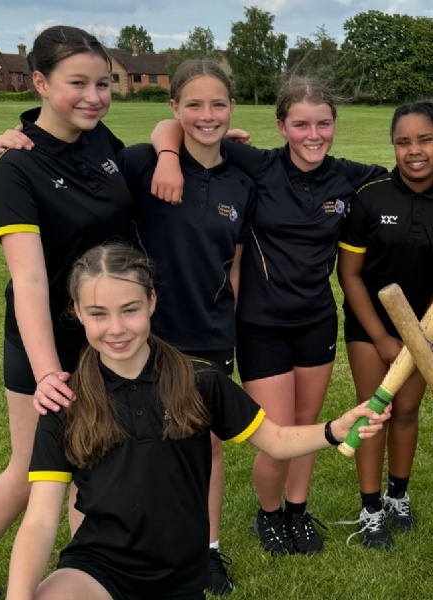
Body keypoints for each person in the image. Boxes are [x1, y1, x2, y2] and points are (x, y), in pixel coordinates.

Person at [148, 78, 433, 555]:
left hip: (316, 322)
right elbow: (177, 128)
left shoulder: (349, 175)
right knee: (276, 433)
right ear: (281, 126)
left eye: (323, 124)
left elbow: (414, 160)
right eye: (300, 125)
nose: (313, 134)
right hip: (261, 325)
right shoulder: (257, 164)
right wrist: (168, 156)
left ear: (335, 125)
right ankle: (268, 515)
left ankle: (297, 511)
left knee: (309, 423)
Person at [4, 242, 388, 600]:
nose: (116, 328)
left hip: (180, 575)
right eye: (98, 314)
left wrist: (335, 430)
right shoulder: (66, 401)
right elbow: (39, 521)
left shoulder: (199, 381)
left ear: (152, 301)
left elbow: (276, 440)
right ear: (77, 311)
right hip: (98, 569)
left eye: (130, 309)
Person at [0, 25, 134, 600]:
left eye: (103, 83)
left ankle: (92, 581)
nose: (94, 96)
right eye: (78, 83)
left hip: (109, 334)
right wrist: (49, 371)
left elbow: (154, 156)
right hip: (42, 341)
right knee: (32, 470)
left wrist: (183, 146)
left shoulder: (102, 143)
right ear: (41, 83)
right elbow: (26, 280)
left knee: (94, 469)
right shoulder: (14, 166)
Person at [117, 59, 257, 595]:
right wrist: (17, 139)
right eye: (193, 104)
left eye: (217, 104)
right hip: (141, 334)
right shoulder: (140, 163)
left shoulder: (242, 181)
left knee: (204, 448)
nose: (207, 115)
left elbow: (237, 262)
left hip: (209, 333)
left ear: (232, 109)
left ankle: (207, 549)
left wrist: (234, 325)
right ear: (173, 108)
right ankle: (139, 544)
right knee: (134, 440)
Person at [335, 102, 433, 549]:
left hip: (420, 333)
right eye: (403, 142)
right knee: (375, 413)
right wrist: (382, 338)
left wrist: (418, 340)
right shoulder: (370, 196)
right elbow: (349, 274)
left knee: (407, 412)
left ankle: (397, 496)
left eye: (425, 139)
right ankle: (370, 509)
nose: (414, 151)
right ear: (393, 146)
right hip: (369, 328)